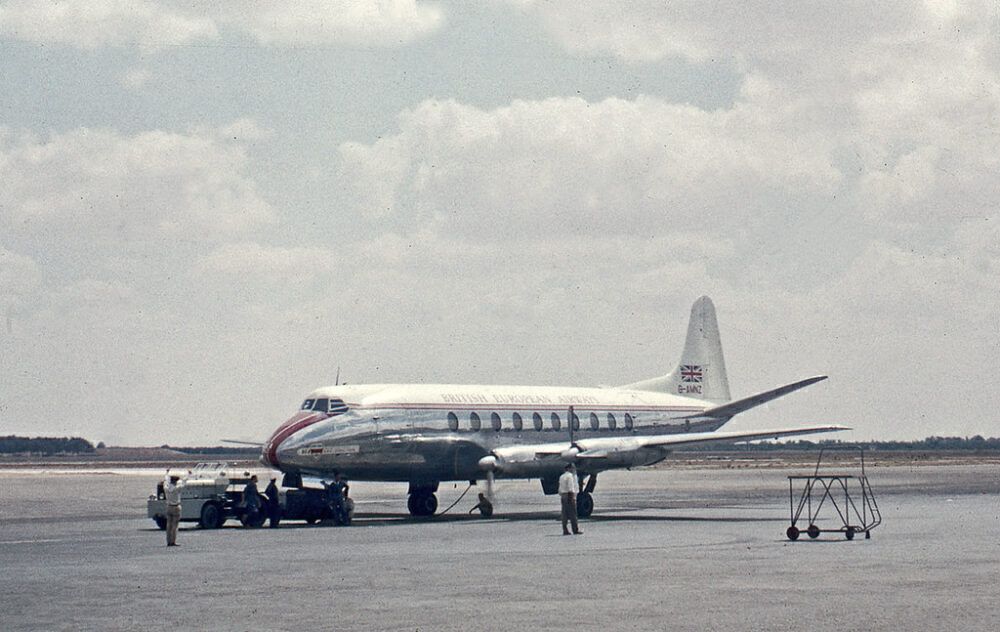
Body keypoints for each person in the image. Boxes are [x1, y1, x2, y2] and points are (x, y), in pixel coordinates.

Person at [558, 464, 581, 535]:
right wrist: (572, 497)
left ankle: (565, 529)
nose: (573, 469)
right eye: (572, 468)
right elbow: (571, 487)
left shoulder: (561, 476)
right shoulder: (570, 476)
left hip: (563, 495)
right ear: (569, 468)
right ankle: (575, 529)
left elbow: (559, 488)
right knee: (573, 514)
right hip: (569, 495)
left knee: (564, 514)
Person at [163, 472, 183, 546]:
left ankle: (168, 541)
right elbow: (183, 483)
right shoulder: (176, 489)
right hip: (176, 507)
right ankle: (173, 541)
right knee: (175, 526)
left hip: (168, 506)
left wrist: (166, 474)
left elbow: (165, 482)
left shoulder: (166, 489)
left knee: (168, 525)